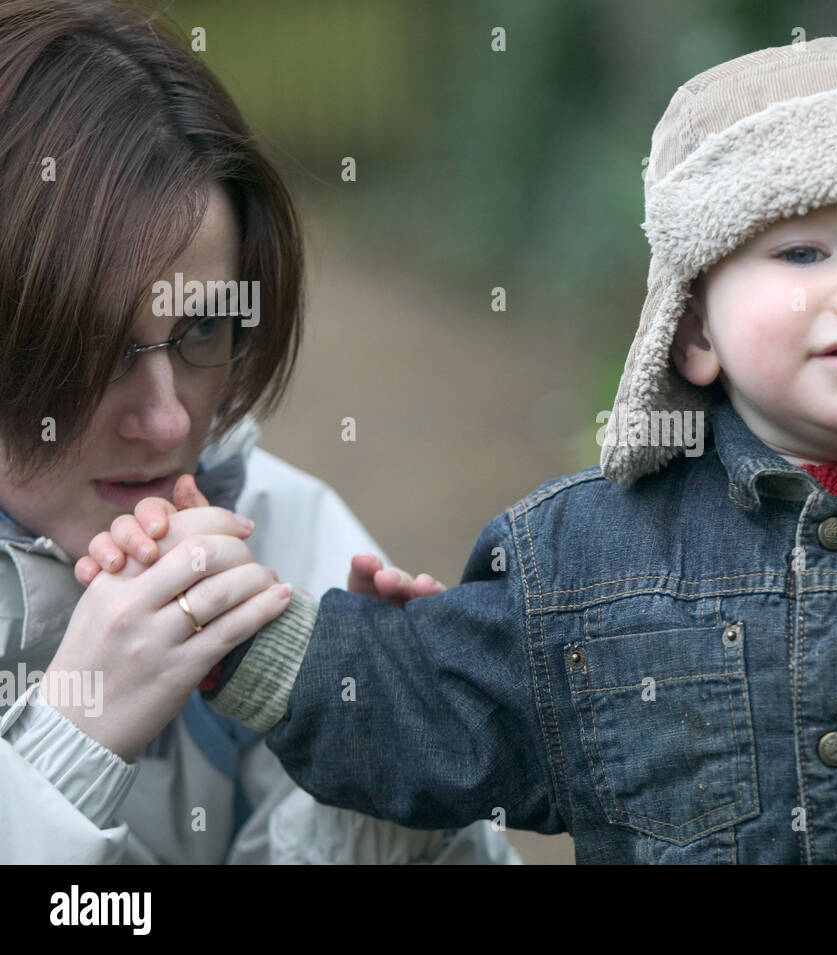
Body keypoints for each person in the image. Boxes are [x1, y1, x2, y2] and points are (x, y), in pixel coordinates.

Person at [95, 37, 837, 863]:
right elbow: (431, 707)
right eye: (803, 252)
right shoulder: (576, 558)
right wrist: (242, 635)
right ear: (695, 329)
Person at [0, 0, 516, 864]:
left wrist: (387, 791)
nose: (168, 419)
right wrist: (67, 751)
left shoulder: (286, 531)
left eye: (201, 330)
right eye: (98, 344)